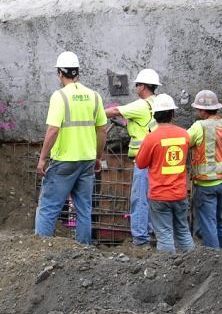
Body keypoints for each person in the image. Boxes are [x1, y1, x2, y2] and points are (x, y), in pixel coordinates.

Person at [35, 51, 107, 245]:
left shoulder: (59, 96)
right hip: (87, 161)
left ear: (60, 73)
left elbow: (53, 130)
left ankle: (41, 250)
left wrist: (43, 158)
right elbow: (102, 131)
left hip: (64, 162)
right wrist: (98, 157)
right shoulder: (94, 96)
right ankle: (84, 251)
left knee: (48, 208)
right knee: (84, 210)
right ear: (77, 72)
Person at [105, 68, 160, 246]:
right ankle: (152, 234)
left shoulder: (141, 105)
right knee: (152, 199)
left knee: (140, 199)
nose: (136, 88)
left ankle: (140, 239)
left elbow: (115, 110)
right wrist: (125, 124)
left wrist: (95, 113)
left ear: (142, 86)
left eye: (137, 85)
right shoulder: (158, 103)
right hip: (157, 160)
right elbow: (144, 125)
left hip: (144, 161)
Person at [135, 93, 194, 253]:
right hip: (180, 193)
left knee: (164, 235)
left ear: (154, 115)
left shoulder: (151, 138)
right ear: (172, 113)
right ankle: (194, 263)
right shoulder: (184, 134)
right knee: (183, 232)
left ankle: (167, 267)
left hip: (159, 195)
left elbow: (140, 163)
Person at [187, 90, 222, 249]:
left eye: (198, 109)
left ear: (203, 110)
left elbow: (184, 142)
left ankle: (213, 256)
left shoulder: (199, 126)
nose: (197, 112)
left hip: (206, 183)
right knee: (220, 219)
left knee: (208, 222)